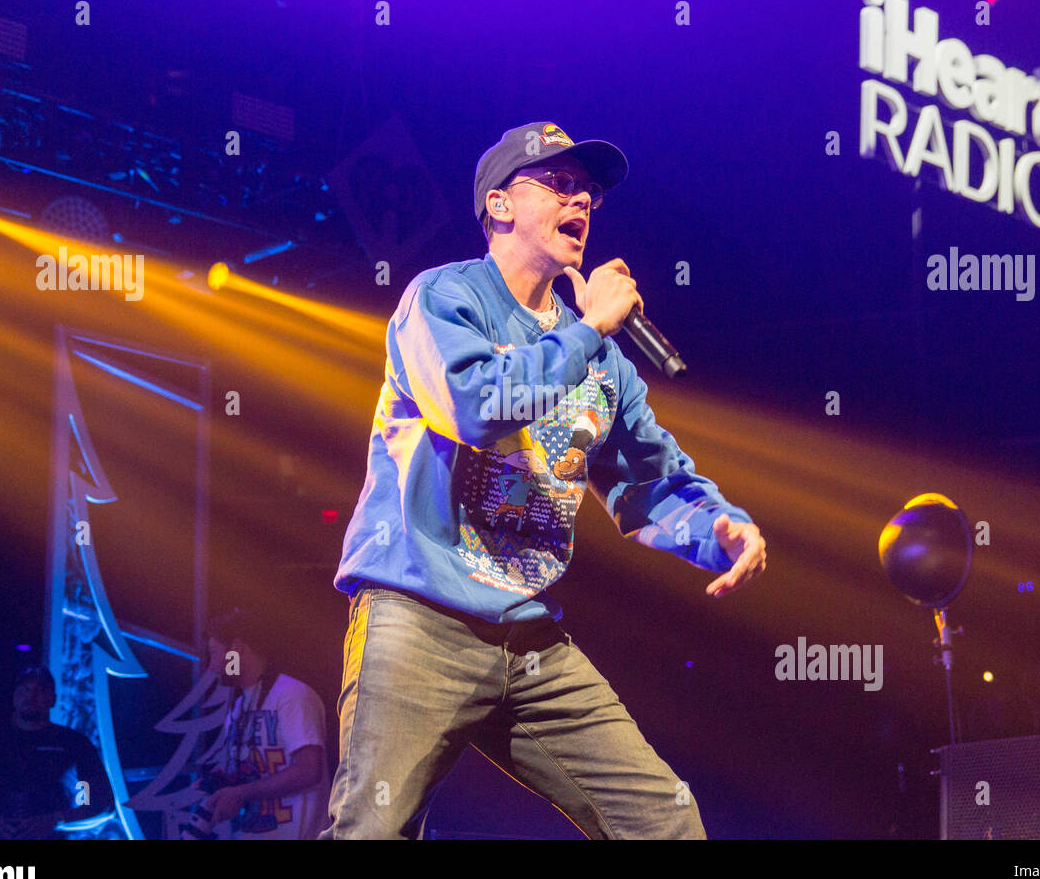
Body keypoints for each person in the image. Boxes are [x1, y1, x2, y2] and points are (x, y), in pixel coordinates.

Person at [325, 121, 767, 839]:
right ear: (500, 205)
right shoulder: (441, 299)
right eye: (560, 184)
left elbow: (647, 481)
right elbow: (476, 407)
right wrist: (591, 330)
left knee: (665, 822)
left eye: (589, 191)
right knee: (372, 832)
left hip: (529, 638)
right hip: (418, 617)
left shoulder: (604, 361)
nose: (583, 200)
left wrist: (717, 528)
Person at [194, 608, 330, 839]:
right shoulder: (238, 709)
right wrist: (224, 783)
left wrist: (241, 793)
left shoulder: (292, 695)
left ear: (236, 649)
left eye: (216, 655)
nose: (213, 667)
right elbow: (257, 774)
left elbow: (309, 770)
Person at [0, 665, 113, 839]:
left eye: (40, 690)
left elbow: (102, 803)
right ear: (14, 697)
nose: (30, 696)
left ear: (53, 699)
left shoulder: (74, 744)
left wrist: (56, 820)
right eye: (24, 690)